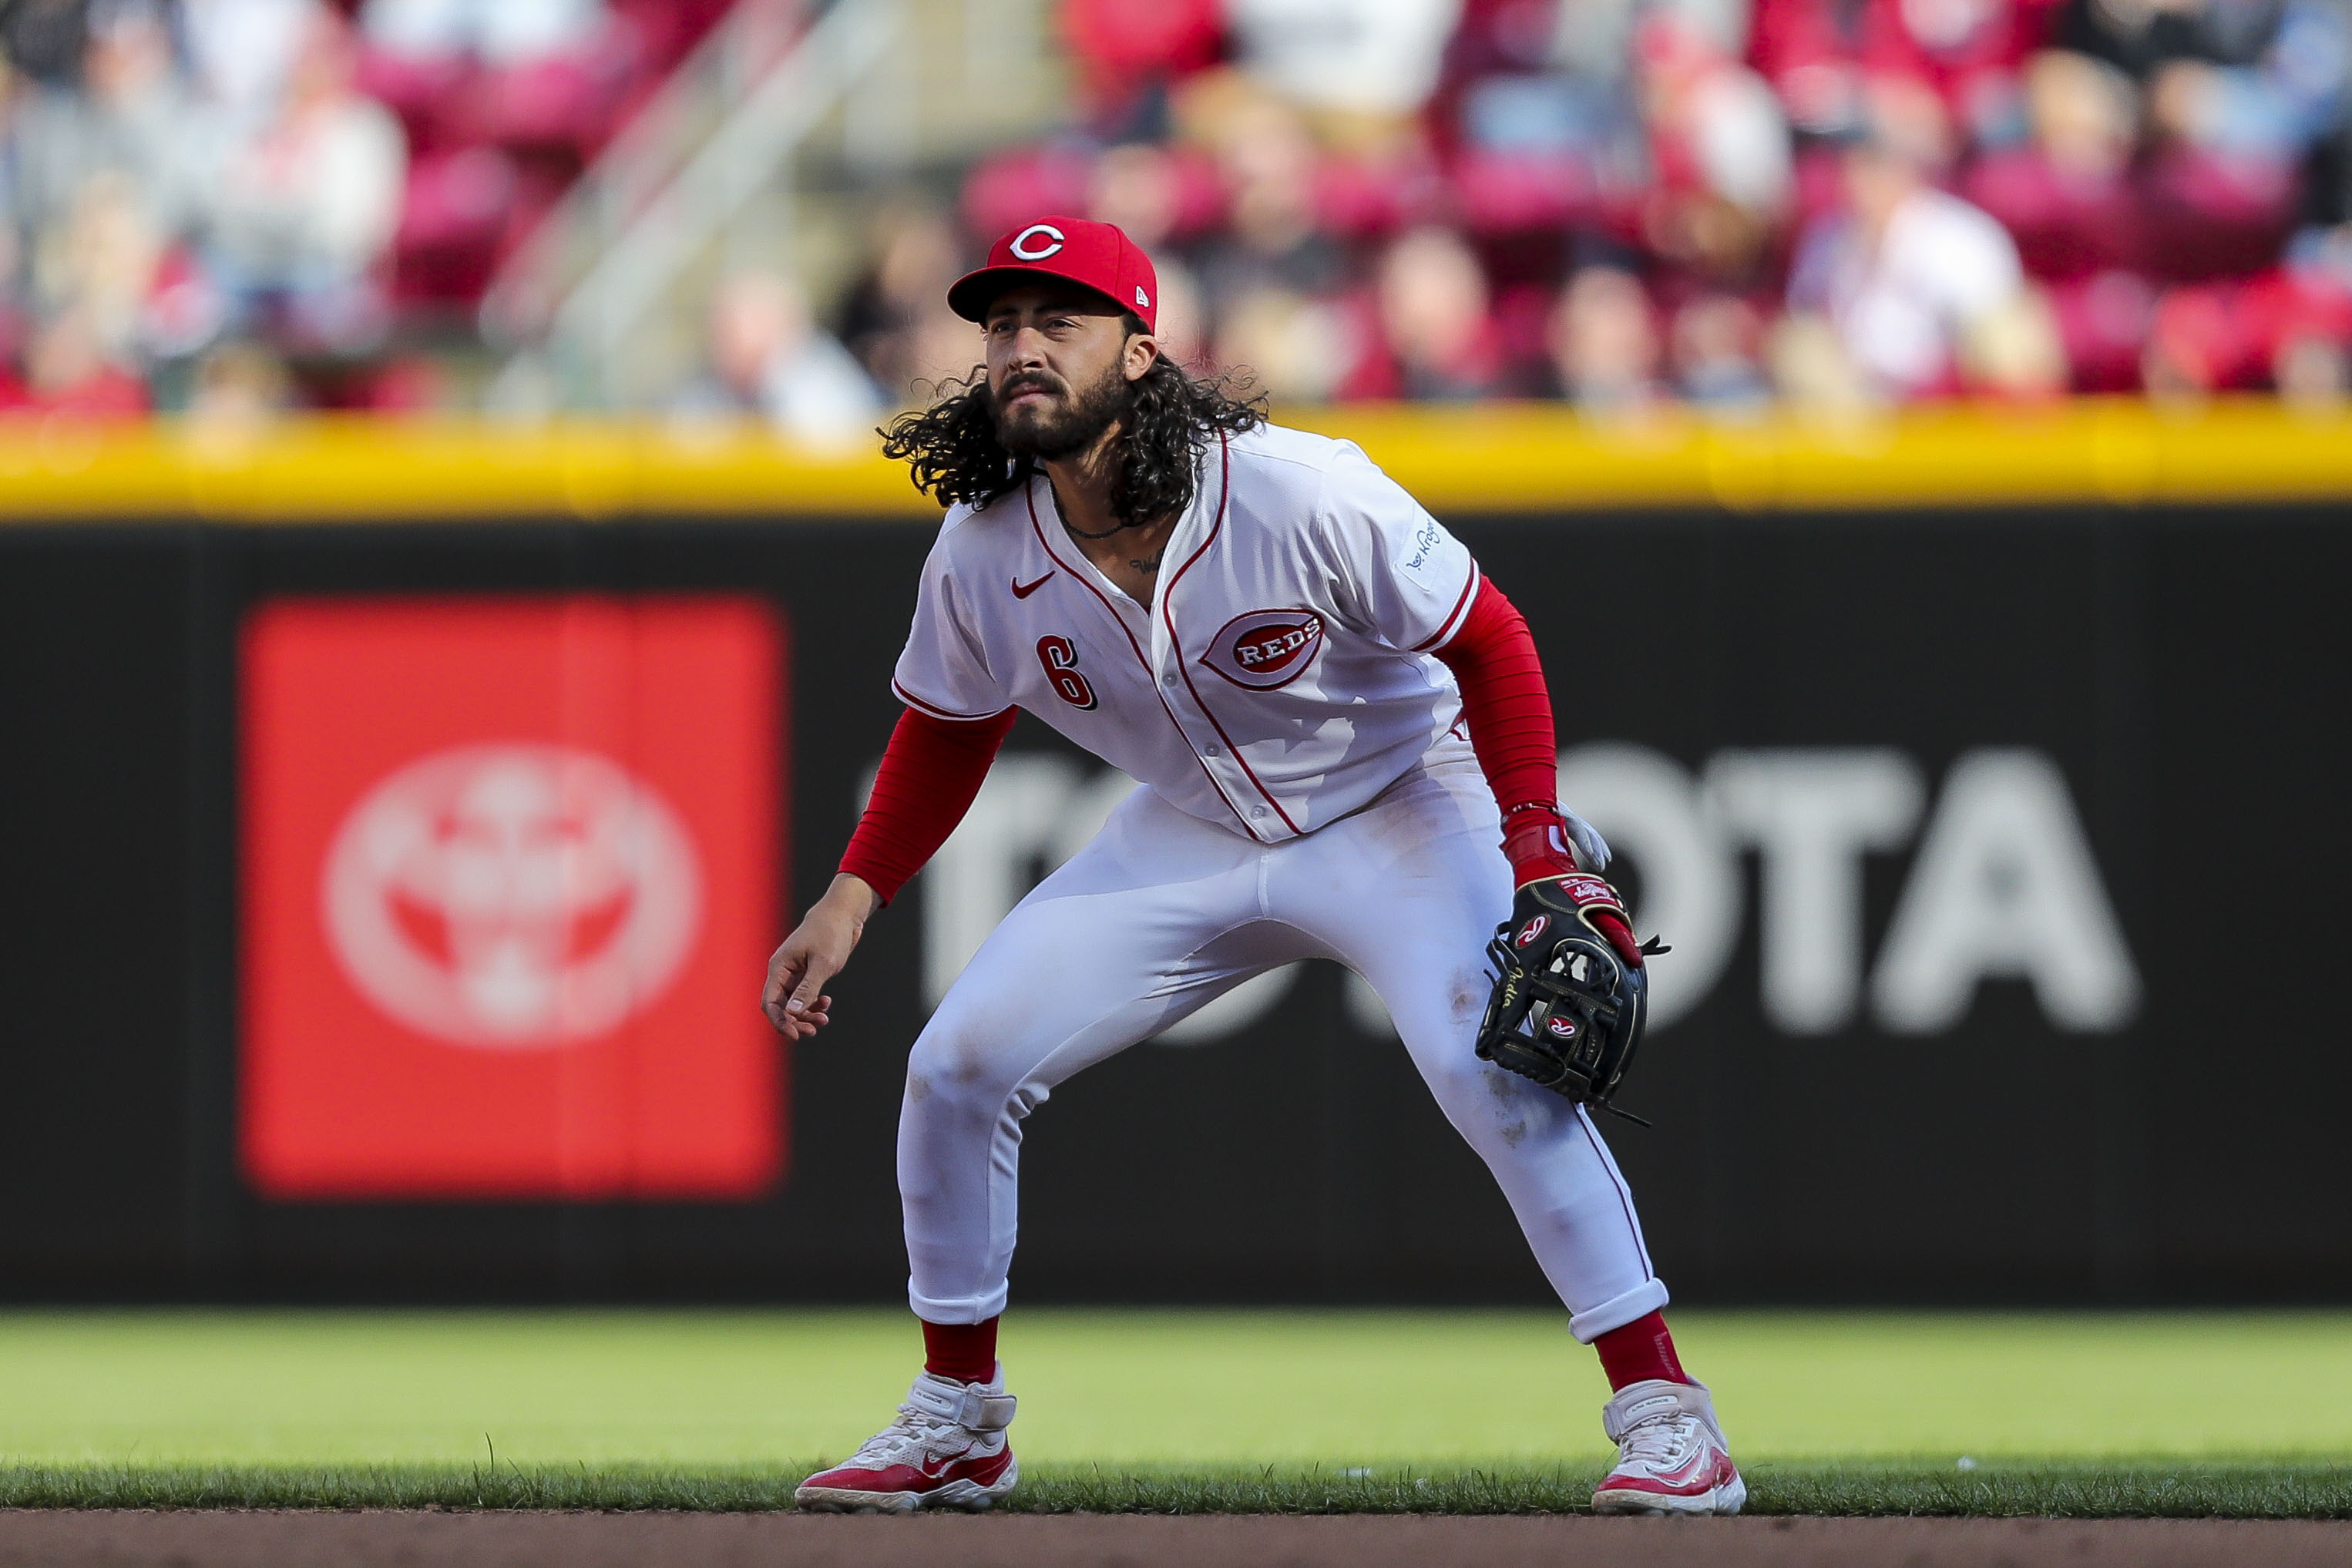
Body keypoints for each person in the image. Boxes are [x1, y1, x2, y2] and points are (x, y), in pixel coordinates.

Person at [763, 216, 1744, 1518]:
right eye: (1000, 325)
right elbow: (949, 723)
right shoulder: (984, 545)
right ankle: (957, 1424)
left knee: (1491, 1064)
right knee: (957, 1063)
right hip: (1191, 830)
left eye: (1058, 320)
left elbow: (1491, 644)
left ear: (1142, 352)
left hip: (1399, 800)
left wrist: (1537, 851)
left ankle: (1669, 1417)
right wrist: (851, 893)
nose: (1019, 348)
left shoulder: (1293, 487)